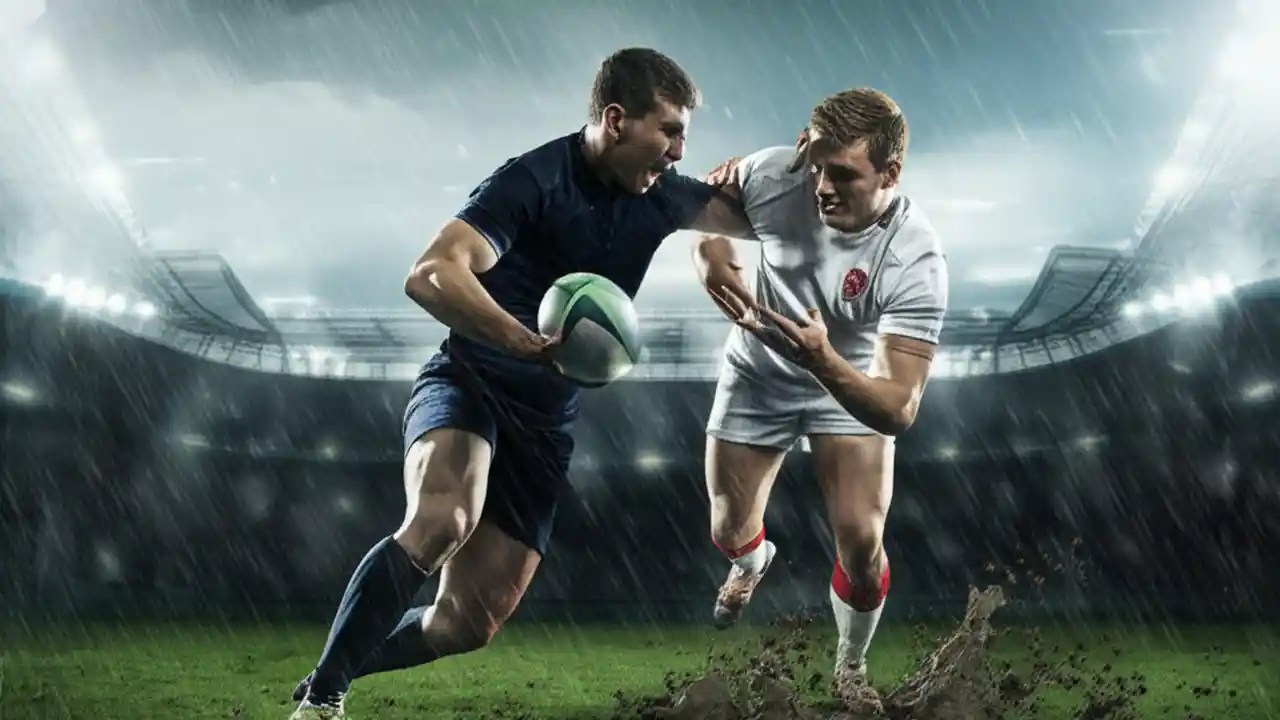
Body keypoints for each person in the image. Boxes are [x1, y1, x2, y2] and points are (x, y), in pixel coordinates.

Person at [290, 48, 750, 719]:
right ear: (616, 120)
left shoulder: (664, 198)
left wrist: (779, 167)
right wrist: (523, 342)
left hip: (545, 420)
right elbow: (432, 273)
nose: (681, 151)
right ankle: (322, 705)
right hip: (469, 382)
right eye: (670, 130)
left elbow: (769, 215)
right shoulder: (533, 181)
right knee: (443, 518)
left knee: (466, 623)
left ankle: (329, 670)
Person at [692, 88, 948, 714]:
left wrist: (823, 359)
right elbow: (699, 221)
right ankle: (751, 563)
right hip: (759, 373)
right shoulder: (773, 174)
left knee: (862, 543)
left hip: (851, 384)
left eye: (843, 175)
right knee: (727, 527)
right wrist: (711, 257)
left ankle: (850, 665)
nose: (821, 187)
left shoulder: (916, 257)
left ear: (891, 173)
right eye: (816, 167)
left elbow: (896, 409)